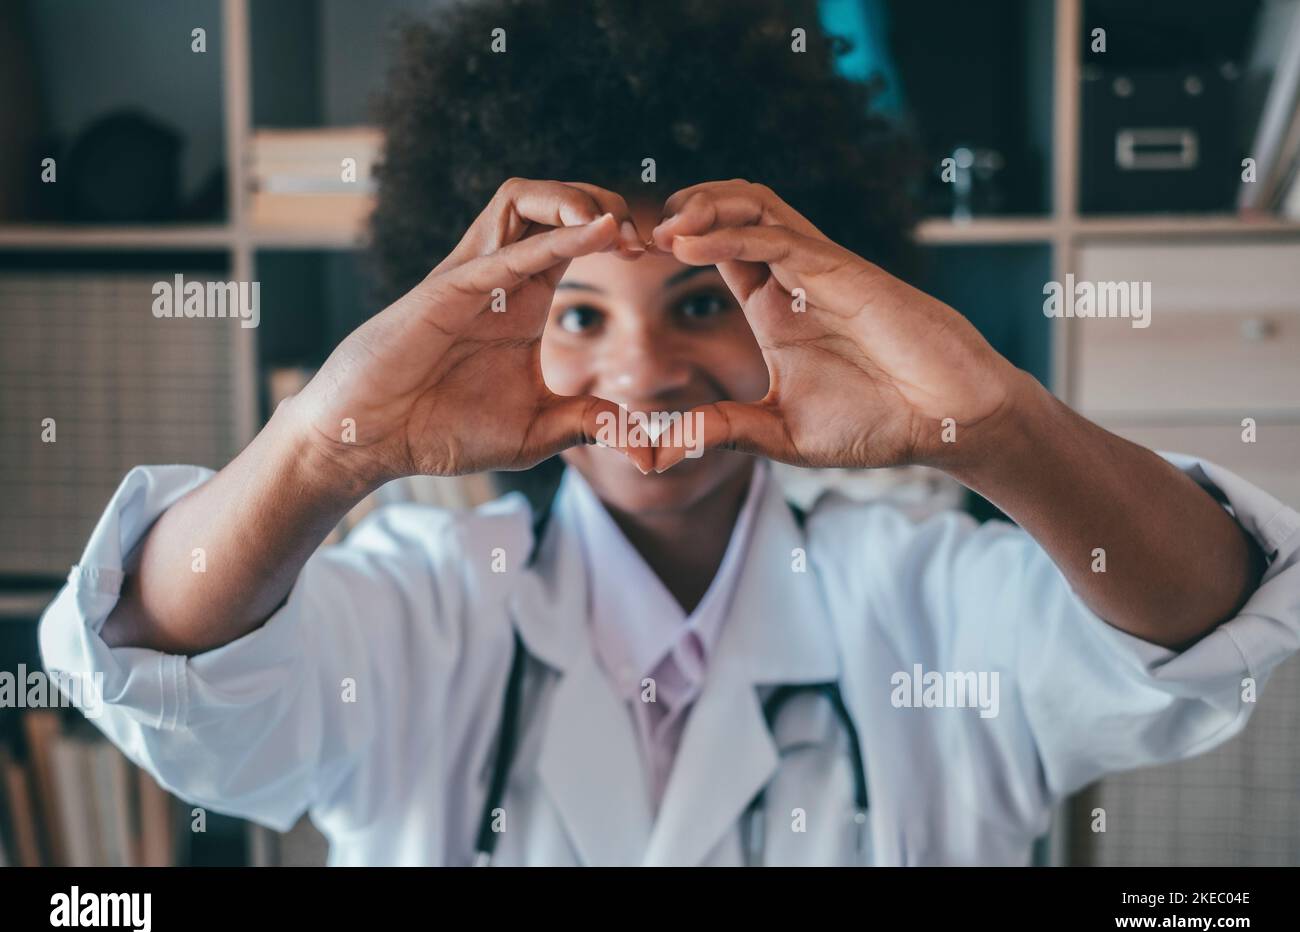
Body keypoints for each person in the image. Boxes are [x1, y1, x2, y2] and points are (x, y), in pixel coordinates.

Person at [40, 0, 1300, 865]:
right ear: (496, 329)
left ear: (789, 311)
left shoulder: (923, 598)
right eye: (575, 308)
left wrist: (993, 424)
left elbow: (1205, 621)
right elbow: (163, 662)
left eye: (703, 300)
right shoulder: (421, 613)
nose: (644, 366)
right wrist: (326, 448)